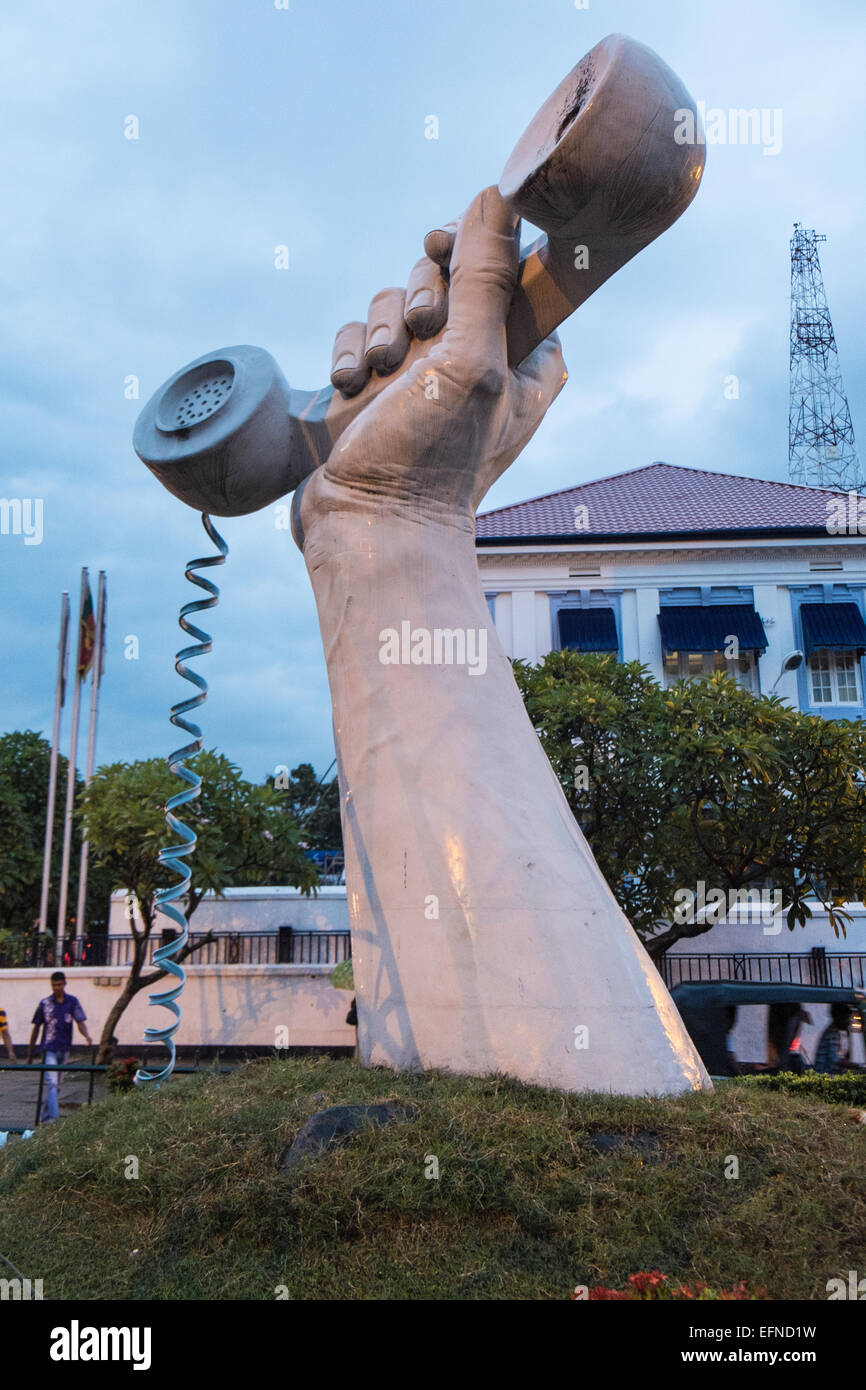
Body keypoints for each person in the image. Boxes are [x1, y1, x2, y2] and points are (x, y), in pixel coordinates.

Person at [26, 971, 93, 1122]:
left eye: (59, 984)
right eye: (54, 985)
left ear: (65, 984)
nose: (57, 988)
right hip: (48, 1048)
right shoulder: (45, 1003)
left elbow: (80, 1021)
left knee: (56, 1085)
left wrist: (87, 1036)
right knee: (53, 1083)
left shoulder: (72, 1002)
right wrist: (30, 1052)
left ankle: (45, 1116)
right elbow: (36, 1027)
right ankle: (54, 1119)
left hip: (65, 1048)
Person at [814, 1003, 855, 1075]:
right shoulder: (832, 1033)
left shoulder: (838, 1032)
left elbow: (846, 1057)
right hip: (825, 1076)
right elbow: (835, 1060)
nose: (849, 1022)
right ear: (839, 1018)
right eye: (847, 1018)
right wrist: (857, 1066)